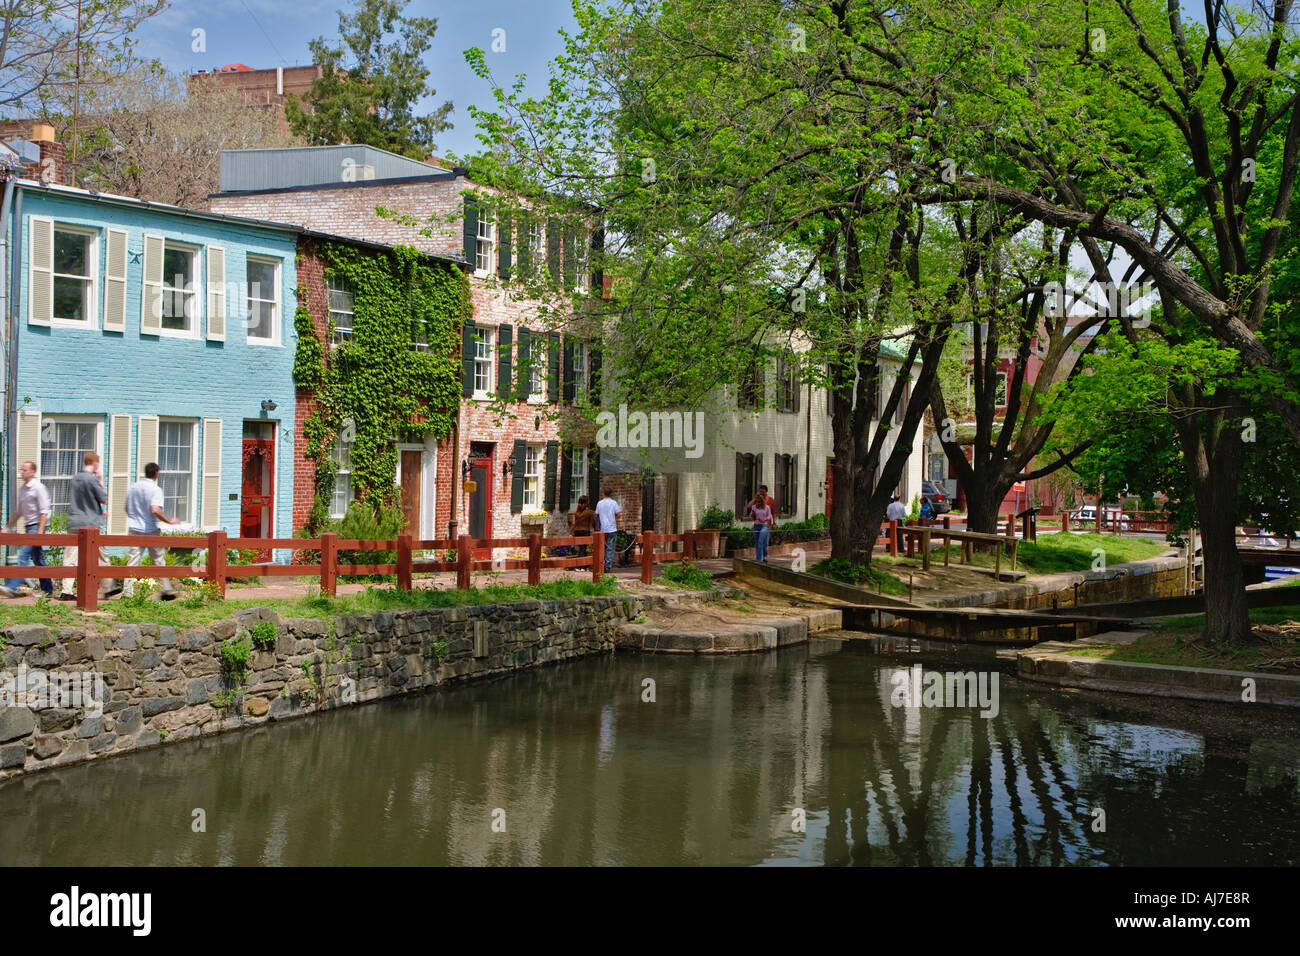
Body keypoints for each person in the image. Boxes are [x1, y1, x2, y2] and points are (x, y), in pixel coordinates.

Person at [60, 451, 117, 601]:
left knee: (70, 556)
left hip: (74, 521)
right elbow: (103, 498)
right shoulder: (91, 479)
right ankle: (108, 586)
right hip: (90, 524)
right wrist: (100, 479)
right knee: (101, 556)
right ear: (95, 463)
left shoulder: (75, 478)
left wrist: (97, 511)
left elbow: (83, 500)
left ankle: (66, 590)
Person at [123, 462, 181, 599]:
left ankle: (127, 592)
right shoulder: (155, 489)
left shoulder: (133, 487)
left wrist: (135, 518)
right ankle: (166, 590)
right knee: (159, 560)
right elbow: (155, 509)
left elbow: (126, 508)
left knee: (133, 560)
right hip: (151, 529)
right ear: (156, 473)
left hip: (135, 528)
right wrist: (169, 521)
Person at [0, 460, 53, 598]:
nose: (22, 472)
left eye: (25, 470)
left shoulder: (38, 488)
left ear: (33, 472)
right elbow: (19, 512)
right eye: (21, 469)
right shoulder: (23, 489)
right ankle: (48, 590)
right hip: (29, 525)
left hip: (37, 526)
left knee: (23, 555)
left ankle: (12, 587)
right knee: (37, 558)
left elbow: (44, 511)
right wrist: (7, 527)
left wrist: (40, 532)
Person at [594, 486, 621, 572]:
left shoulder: (599, 503)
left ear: (604, 493)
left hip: (602, 529)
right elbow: (618, 514)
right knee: (610, 548)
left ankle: (601, 565)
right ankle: (607, 566)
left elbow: (597, 515)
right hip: (612, 528)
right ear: (611, 494)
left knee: (602, 548)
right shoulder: (614, 503)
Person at [749, 492, 774, 563]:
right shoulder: (754, 507)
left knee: (760, 541)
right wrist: (752, 515)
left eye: (759, 502)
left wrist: (765, 519)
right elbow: (751, 515)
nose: (757, 503)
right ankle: (761, 558)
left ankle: (759, 560)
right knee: (757, 543)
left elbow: (769, 516)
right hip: (756, 525)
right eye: (756, 502)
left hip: (764, 526)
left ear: (762, 501)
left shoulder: (767, 507)